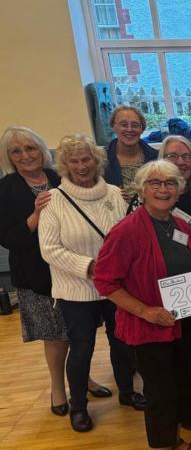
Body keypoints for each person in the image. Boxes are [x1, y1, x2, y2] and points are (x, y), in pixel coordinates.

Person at [93, 160, 191, 450]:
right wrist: (145, 311)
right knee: (161, 394)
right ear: (142, 190)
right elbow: (105, 282)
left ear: (180, 189)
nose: (163, 189)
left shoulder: (181, 226)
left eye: (170, 183)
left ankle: (174, 442)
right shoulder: (127, 230)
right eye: (156, 183)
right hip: (149, 330)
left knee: (181, 386)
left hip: (184, 323)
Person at [38, 134, 145, 433]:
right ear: (65, 164)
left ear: (96, 160)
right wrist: (90, 267)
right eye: (74, 160)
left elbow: (128, 236)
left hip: (117, 287)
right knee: (82, 348)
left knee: (122, 342)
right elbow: (49, 249)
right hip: (76, 289)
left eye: (86, 159)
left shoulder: (114, 194)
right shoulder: (53, 200)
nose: (81, 166)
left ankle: (127, 391)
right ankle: (78, 406)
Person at [0, 127, 109, 417]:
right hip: (37, 275)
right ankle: (58, 389)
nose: (25, 155)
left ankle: (83, 379)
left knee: (81, 334)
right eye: (17, 151)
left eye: (31, 148)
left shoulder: (57, 177)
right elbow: (7, 238)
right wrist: (35, 217)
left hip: (74, 273)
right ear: (9, 157)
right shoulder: (7, 188)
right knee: (55, 335)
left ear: (42, 150)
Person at [127, 136, 191, 425]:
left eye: (185, 156)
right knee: (171, 364)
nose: (180, 162)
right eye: (172, 156)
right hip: (157, 300)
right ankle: (182, 415)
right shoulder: (139, 210)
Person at [104, 105, 159, 201]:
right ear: (113, 127)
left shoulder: (157, 158)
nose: (129, 129)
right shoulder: (101, 159)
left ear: (142, 129)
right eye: (124, 125)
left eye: (135, 125)